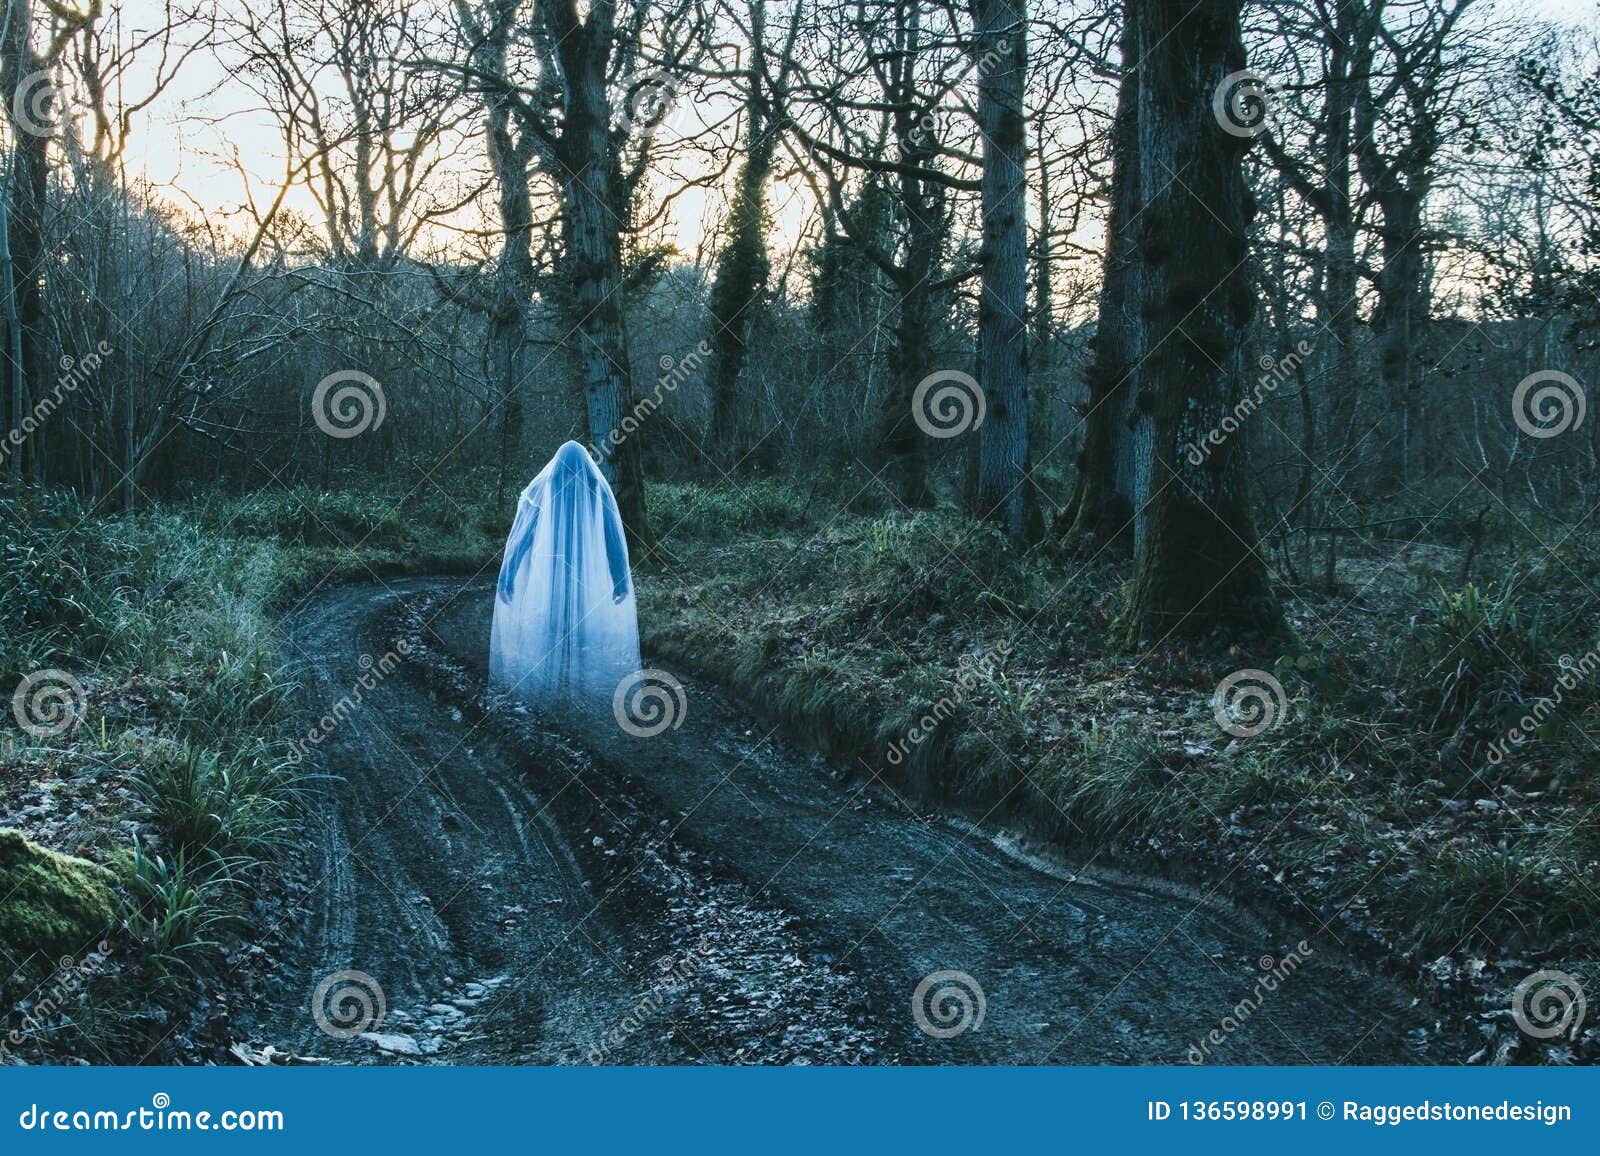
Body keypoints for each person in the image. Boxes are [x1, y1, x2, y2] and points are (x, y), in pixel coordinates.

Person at [489, 441, 640, 708]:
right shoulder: (595, 488)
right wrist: (619, 580)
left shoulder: (548, 487)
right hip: (581, 573)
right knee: (579, 621)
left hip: (552, 571)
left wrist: (508, 574)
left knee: (554, 619)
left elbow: (524, 537)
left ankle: (554, 683)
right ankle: (574, 683)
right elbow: (612, 538)